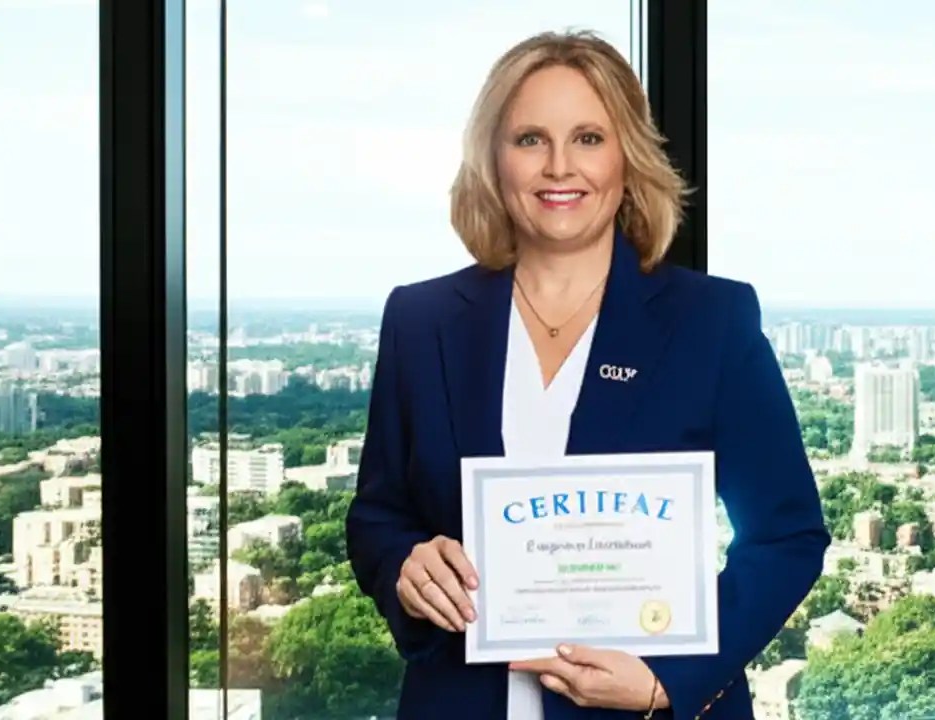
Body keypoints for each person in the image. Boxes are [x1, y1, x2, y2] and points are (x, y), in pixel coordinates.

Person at [345, 30, 829, 720]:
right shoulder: (420, 320)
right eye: (531, 139)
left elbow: (786, 536)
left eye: (589, 139)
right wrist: (405, 567)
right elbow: (378, 515)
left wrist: (669, 679)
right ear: (492, 159)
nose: (559, 167)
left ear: (628, 158)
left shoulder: (712, 320)